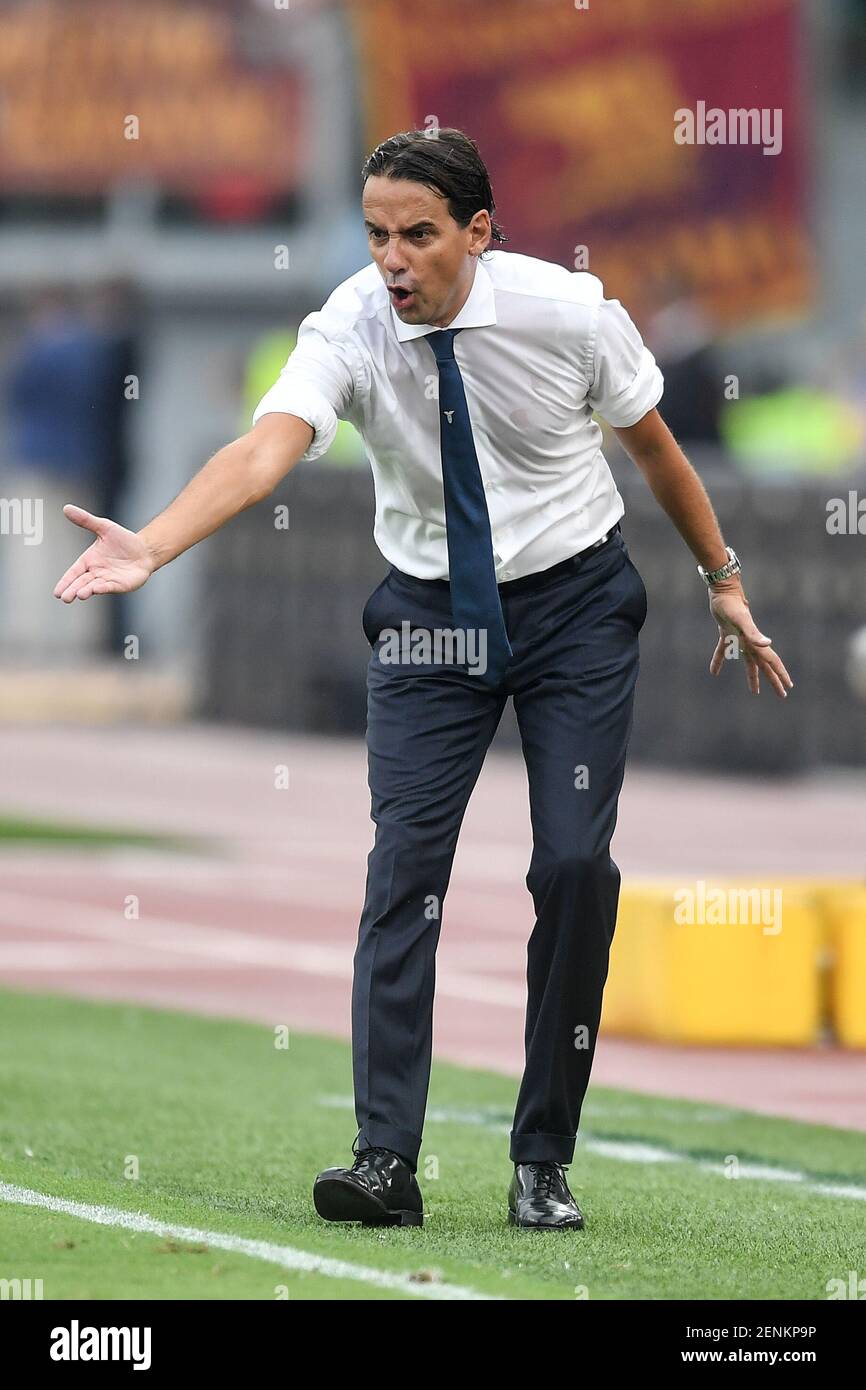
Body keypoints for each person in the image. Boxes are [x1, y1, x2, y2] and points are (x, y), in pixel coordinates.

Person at [53, 128, 793, 1232]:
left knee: (574, 867)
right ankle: (381, 1162)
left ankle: (542, 1159)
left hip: (574, 608)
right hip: (427, 621)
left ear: (477, 234)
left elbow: (655, 449)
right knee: (403, 872)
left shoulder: (570, 312)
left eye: (416, 234)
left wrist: (722, 579)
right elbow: (266, 447)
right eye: (374, 234)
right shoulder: (346, 324)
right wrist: (154, 544)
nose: (390, 258)